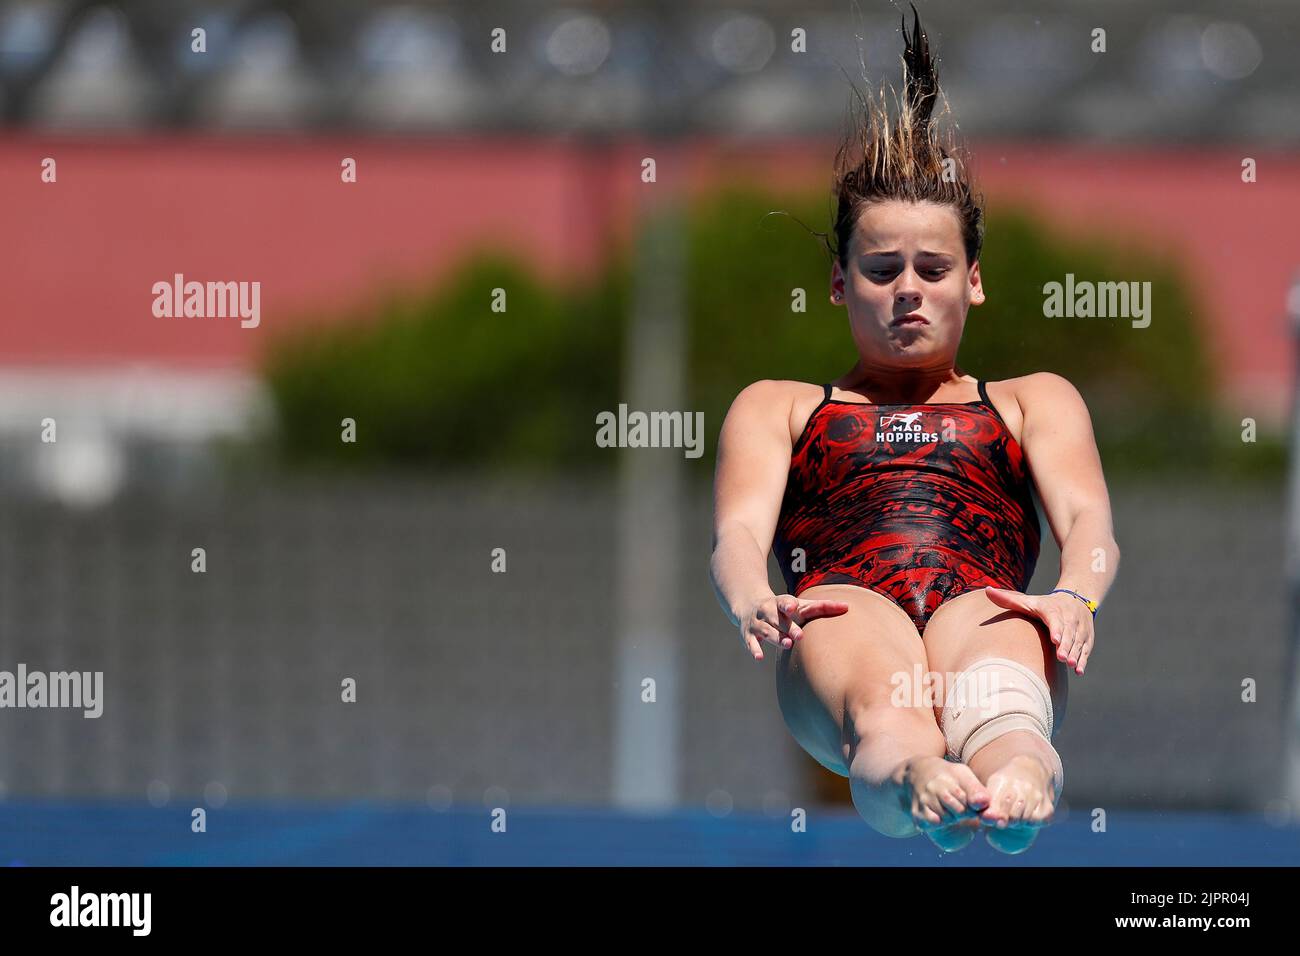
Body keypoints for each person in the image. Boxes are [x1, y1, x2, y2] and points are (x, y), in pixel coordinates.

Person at [708, 8, 1119, 854]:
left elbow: (1089, 525)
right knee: (882, 702)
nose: (907, 290)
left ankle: (1019, 774)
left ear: (973, 282)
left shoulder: (1032, 401)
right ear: (837, 281)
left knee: (1003, 658)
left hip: (983, 603)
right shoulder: (781, 405)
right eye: (881, 269)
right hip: (844, 604)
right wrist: (755, 599)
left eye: (932, 270)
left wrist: (1074, 596)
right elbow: (738, 532)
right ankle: (910, 777)